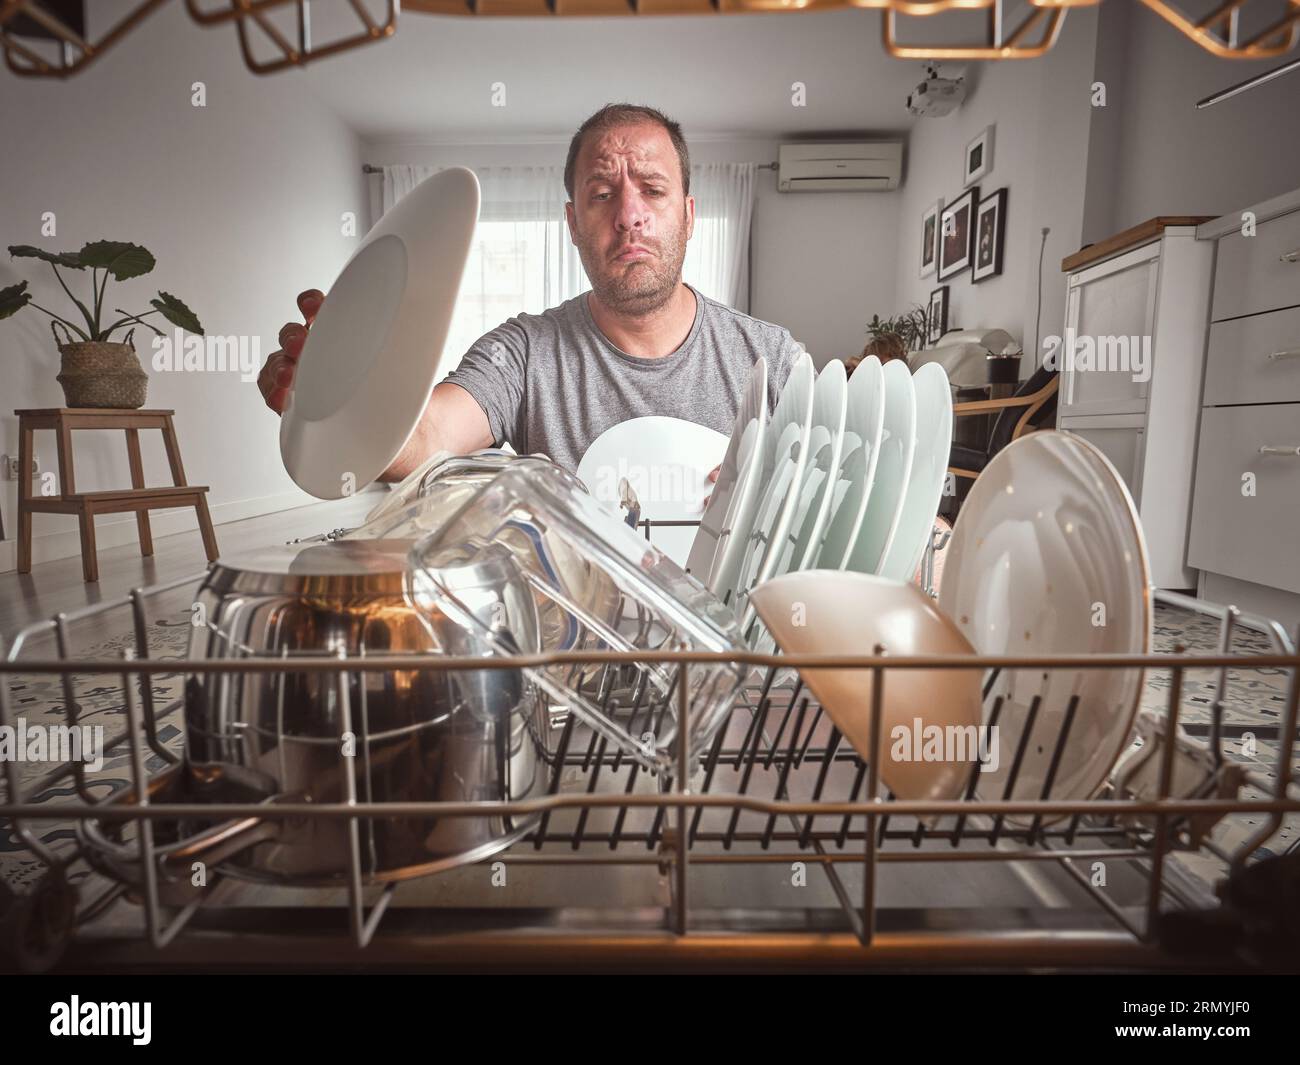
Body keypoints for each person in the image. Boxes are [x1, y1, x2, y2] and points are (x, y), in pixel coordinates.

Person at [258, 103, 803, 484]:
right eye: (602, 194)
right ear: (573, 222)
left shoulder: (772, 359)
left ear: (688, 216)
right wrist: (349, 398)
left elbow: (834, 485)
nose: (629, 215)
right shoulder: (521, 353)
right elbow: (426, 438)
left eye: (653, 190)